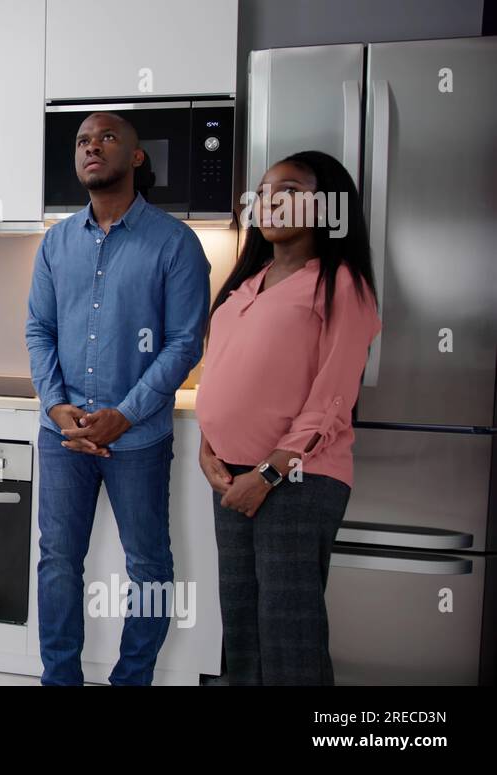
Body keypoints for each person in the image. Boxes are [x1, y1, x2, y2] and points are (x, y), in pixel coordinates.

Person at [26, 112, 209, 686]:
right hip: (64, 435)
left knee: (149, 564)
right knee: (58, 563)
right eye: (82, 140)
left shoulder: (175, 242)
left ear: (136, 157)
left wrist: (124, 414)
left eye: (106, 138)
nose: (91, 148)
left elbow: (185, 341)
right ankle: (61, 679)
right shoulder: (57, 241)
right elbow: (38, 328)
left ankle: (132, 679)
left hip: (140, 438)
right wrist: (57, 406)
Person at [196, 150, 380, 685]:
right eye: (265, 192)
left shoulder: (341, 283)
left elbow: (332, 397)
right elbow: (223, 372)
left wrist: (271, 472)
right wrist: (209, 447)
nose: (272, 201)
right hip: (231, 473)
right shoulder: (244, 283)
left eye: (292, 191)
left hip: (297, 480)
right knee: (243, 624)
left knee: (288, 628)